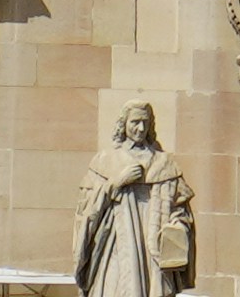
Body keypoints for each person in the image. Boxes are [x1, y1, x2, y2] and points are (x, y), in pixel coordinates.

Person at [76, 98, 199, 297]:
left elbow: (181, 212)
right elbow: (86, 212)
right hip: (115, 247)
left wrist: (177, 227)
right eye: (135, 122)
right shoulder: (105, 161)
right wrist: (115, 182)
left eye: (145, 122)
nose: (141, 128)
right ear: (124, 124)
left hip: (153, 255)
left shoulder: (164, 163)